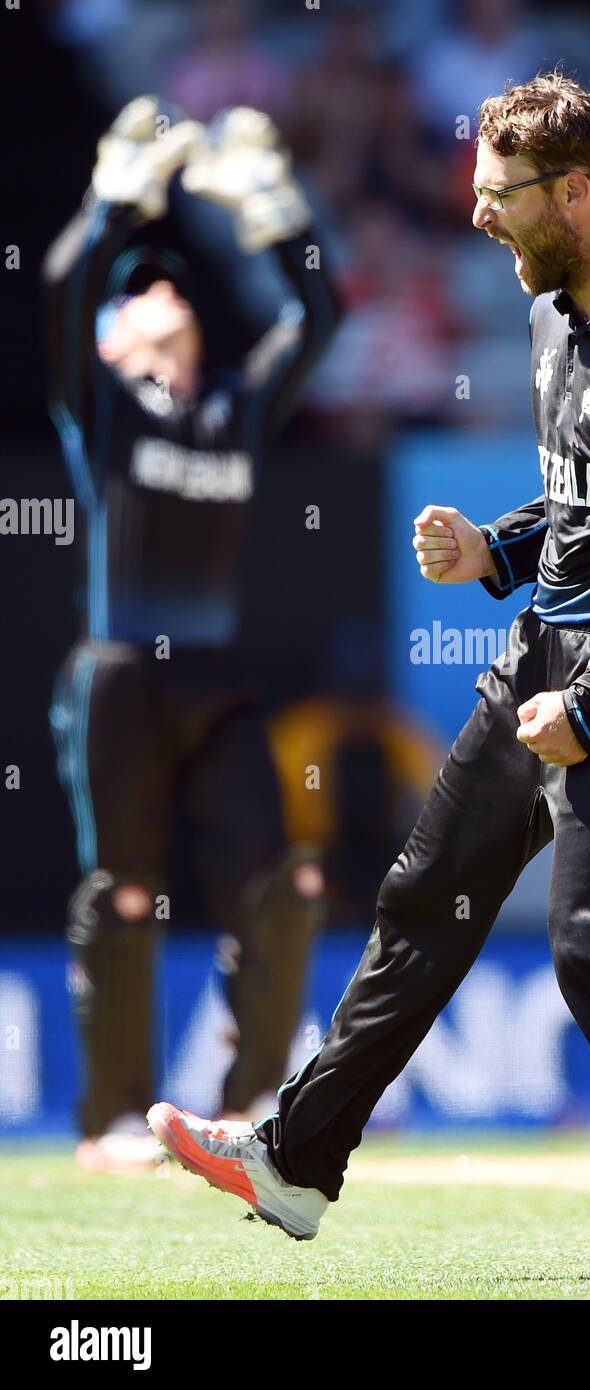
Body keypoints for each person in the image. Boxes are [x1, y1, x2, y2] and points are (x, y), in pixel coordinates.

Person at [148, 72, 590, 1283]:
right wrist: (496, 551)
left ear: (576, 193)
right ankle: (298, 1162)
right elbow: (584, 510)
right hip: (544, 657)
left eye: (495, 194)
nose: (475, 216)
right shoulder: (552, 299)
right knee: (422, 895)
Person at [43, 96, 341, 1171]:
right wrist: (114, 199)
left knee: (284, 884)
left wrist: (272, 209)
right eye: (138, 295)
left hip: (215, 676)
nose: (159, 292)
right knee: (123, 892)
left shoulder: (232, 410)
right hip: (120, 672)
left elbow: (320, 316)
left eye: (173, 282)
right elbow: (62, 283)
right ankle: (110, 1122)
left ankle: (253, 1102)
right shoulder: (105, 404)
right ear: (111, 338)